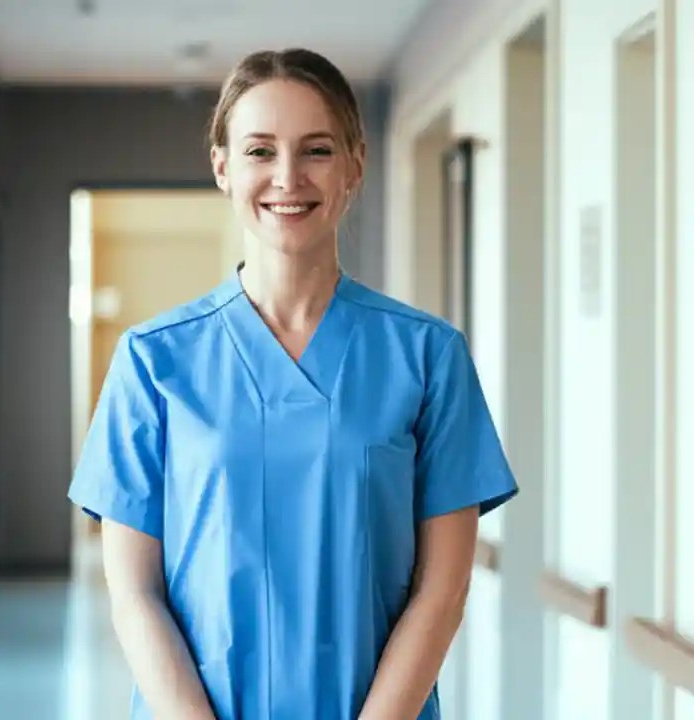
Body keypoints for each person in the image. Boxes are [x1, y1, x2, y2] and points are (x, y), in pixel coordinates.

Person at [66, 48, 518, 720]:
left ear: (354, 166)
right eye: (258, 150)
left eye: (316, 150)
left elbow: (442, 591)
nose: (287, 177)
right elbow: (134, 591)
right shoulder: (153, 362)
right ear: (222, 167)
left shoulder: (427, 357)